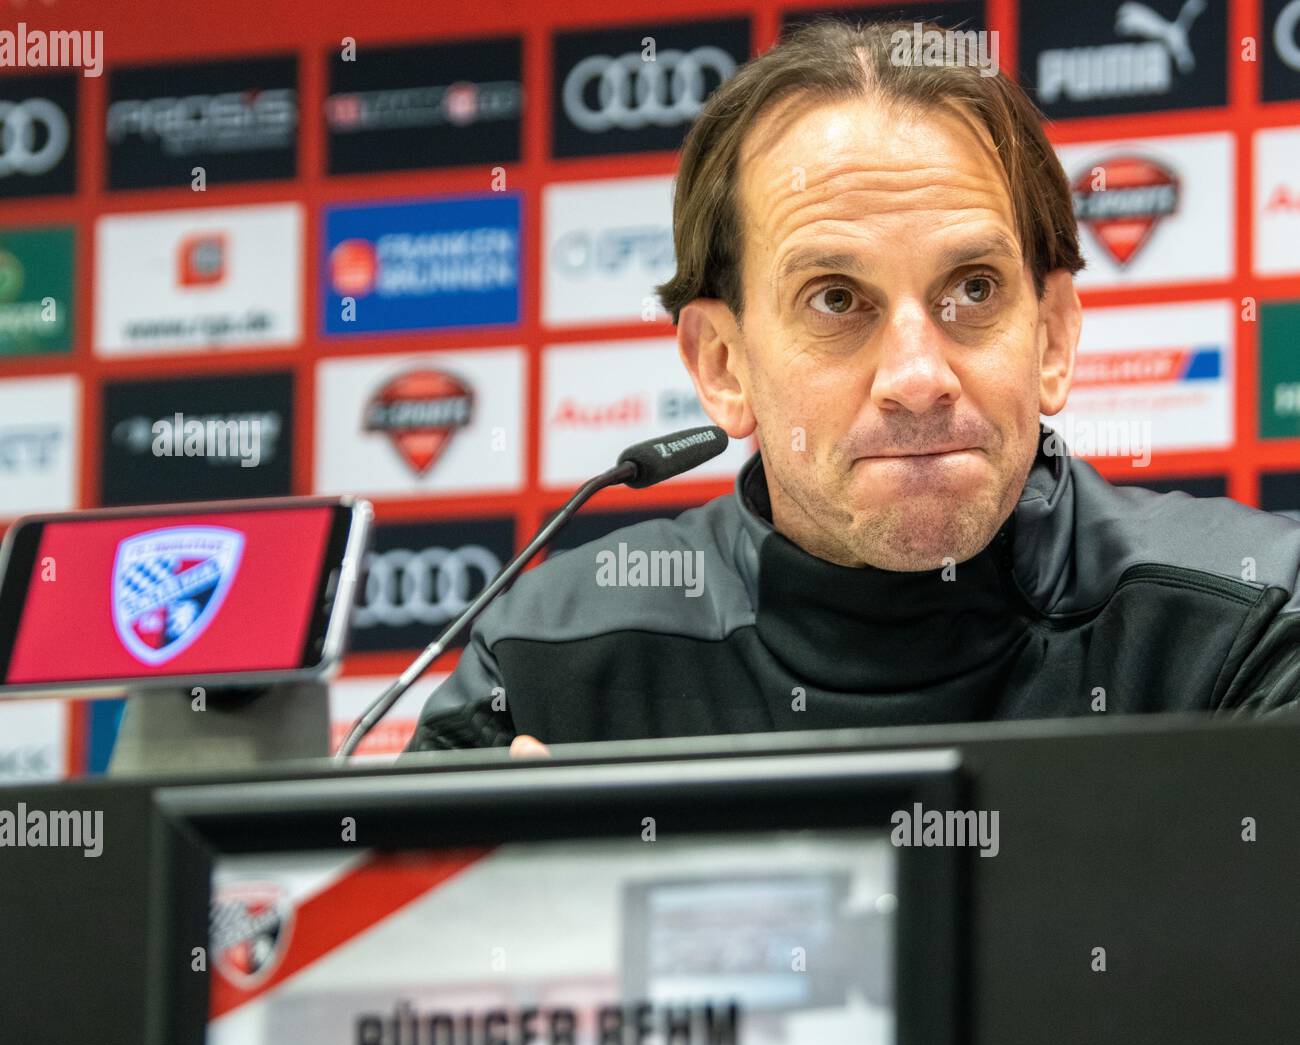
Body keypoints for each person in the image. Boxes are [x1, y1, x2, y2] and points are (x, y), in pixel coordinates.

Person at [405, 18, 1300, 757]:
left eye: (974, 290)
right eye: (837, 300)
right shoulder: (546, 663)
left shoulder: (1251, 622)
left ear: (1054, 338)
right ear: (723, 366)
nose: (918, 379)